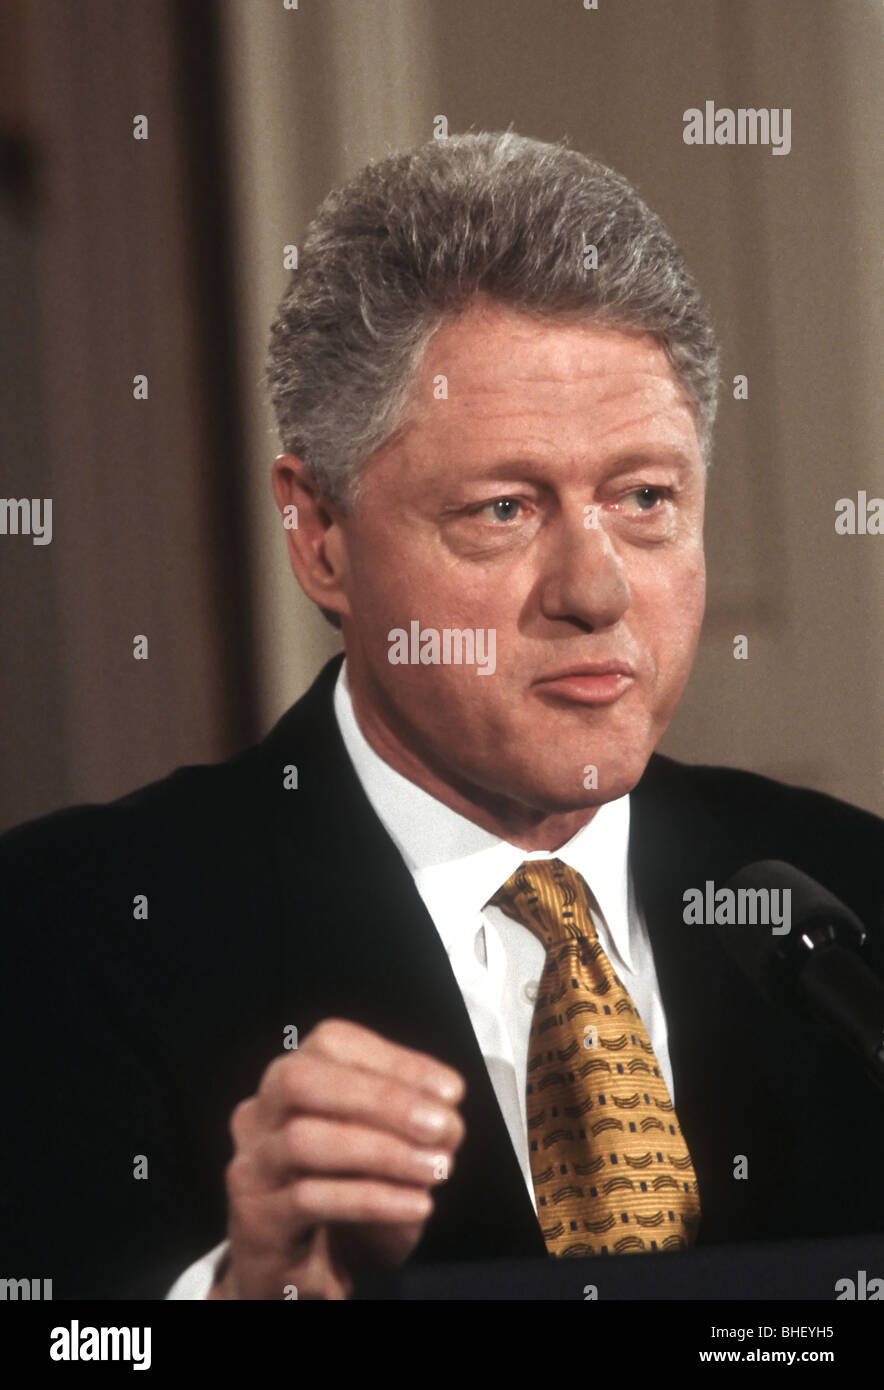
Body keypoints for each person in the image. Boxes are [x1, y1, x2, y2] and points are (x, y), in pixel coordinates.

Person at [2, 132, 883, 1302]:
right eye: (505, 507)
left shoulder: (850, 901)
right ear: (319, 536)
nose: (596, 589)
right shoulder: (67, 940)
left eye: (643, 498)